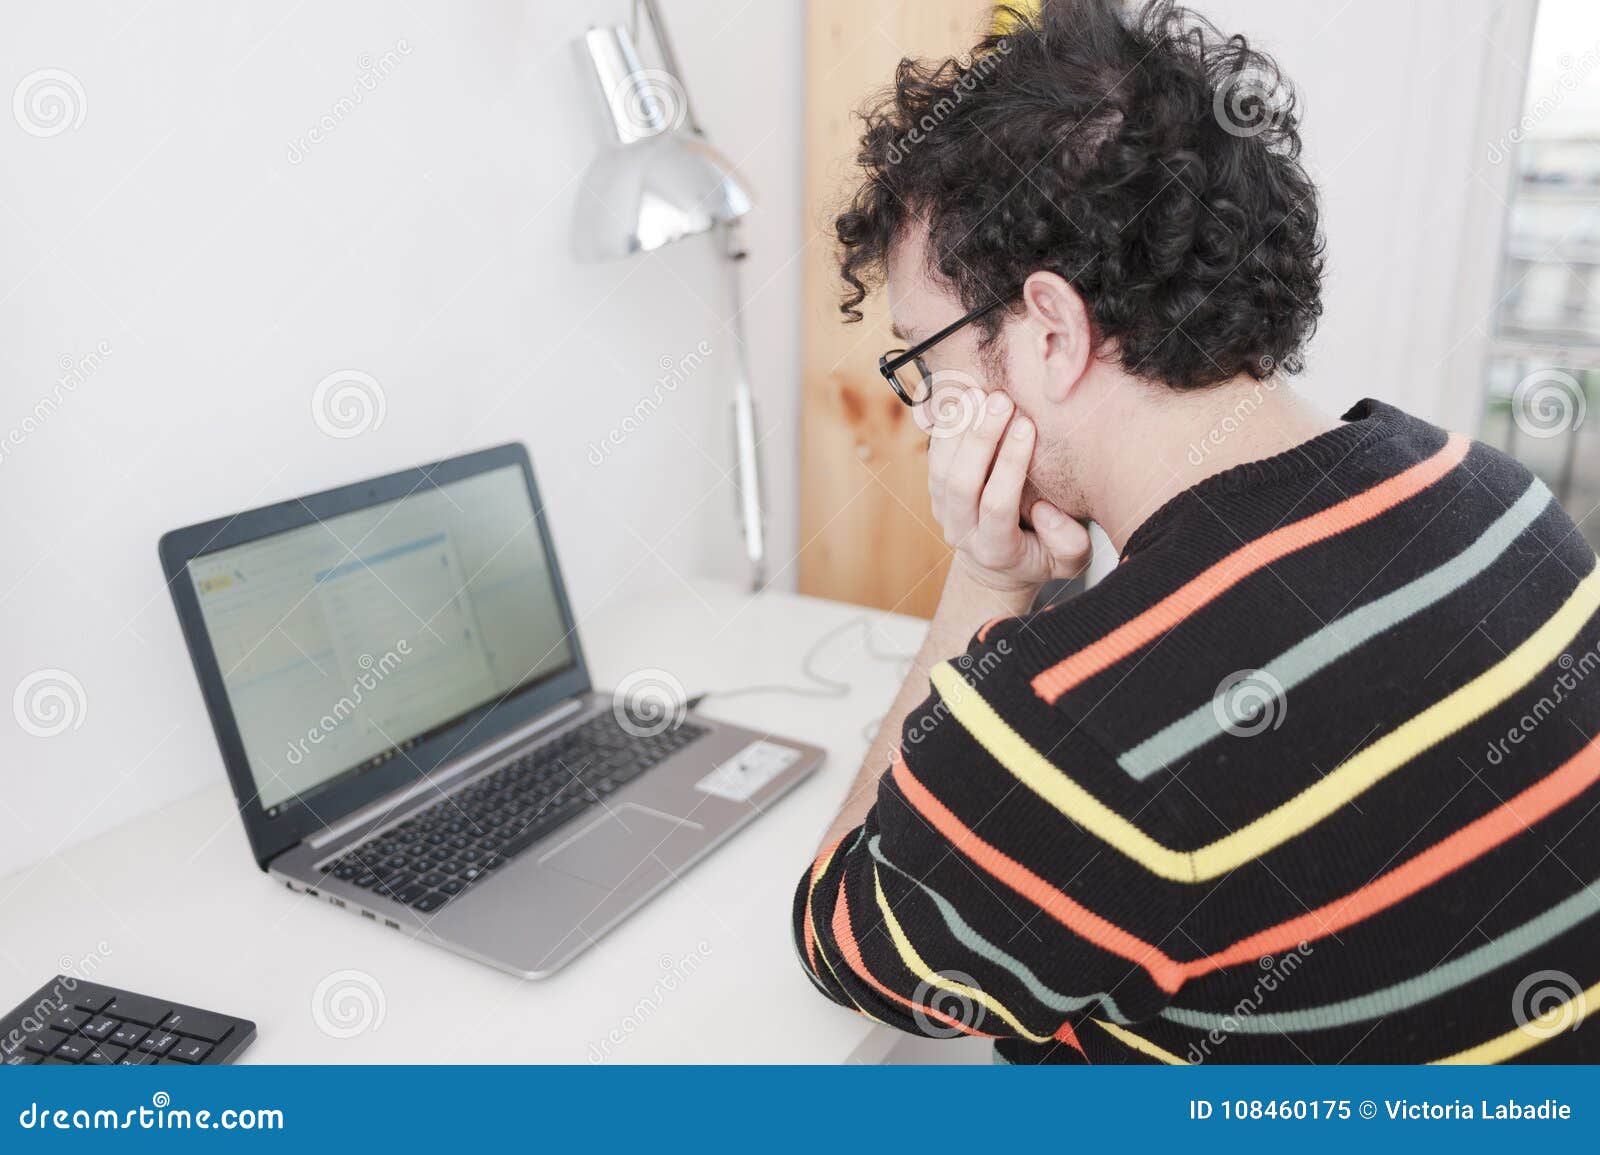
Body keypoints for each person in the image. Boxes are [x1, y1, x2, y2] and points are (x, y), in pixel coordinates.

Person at [792, 0, 1600, 1064]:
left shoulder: (1080, 730)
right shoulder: (1503, 501)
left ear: (1050, 330)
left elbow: (843, 944)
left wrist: (983, 587)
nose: (926, 409)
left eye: (922, 358)